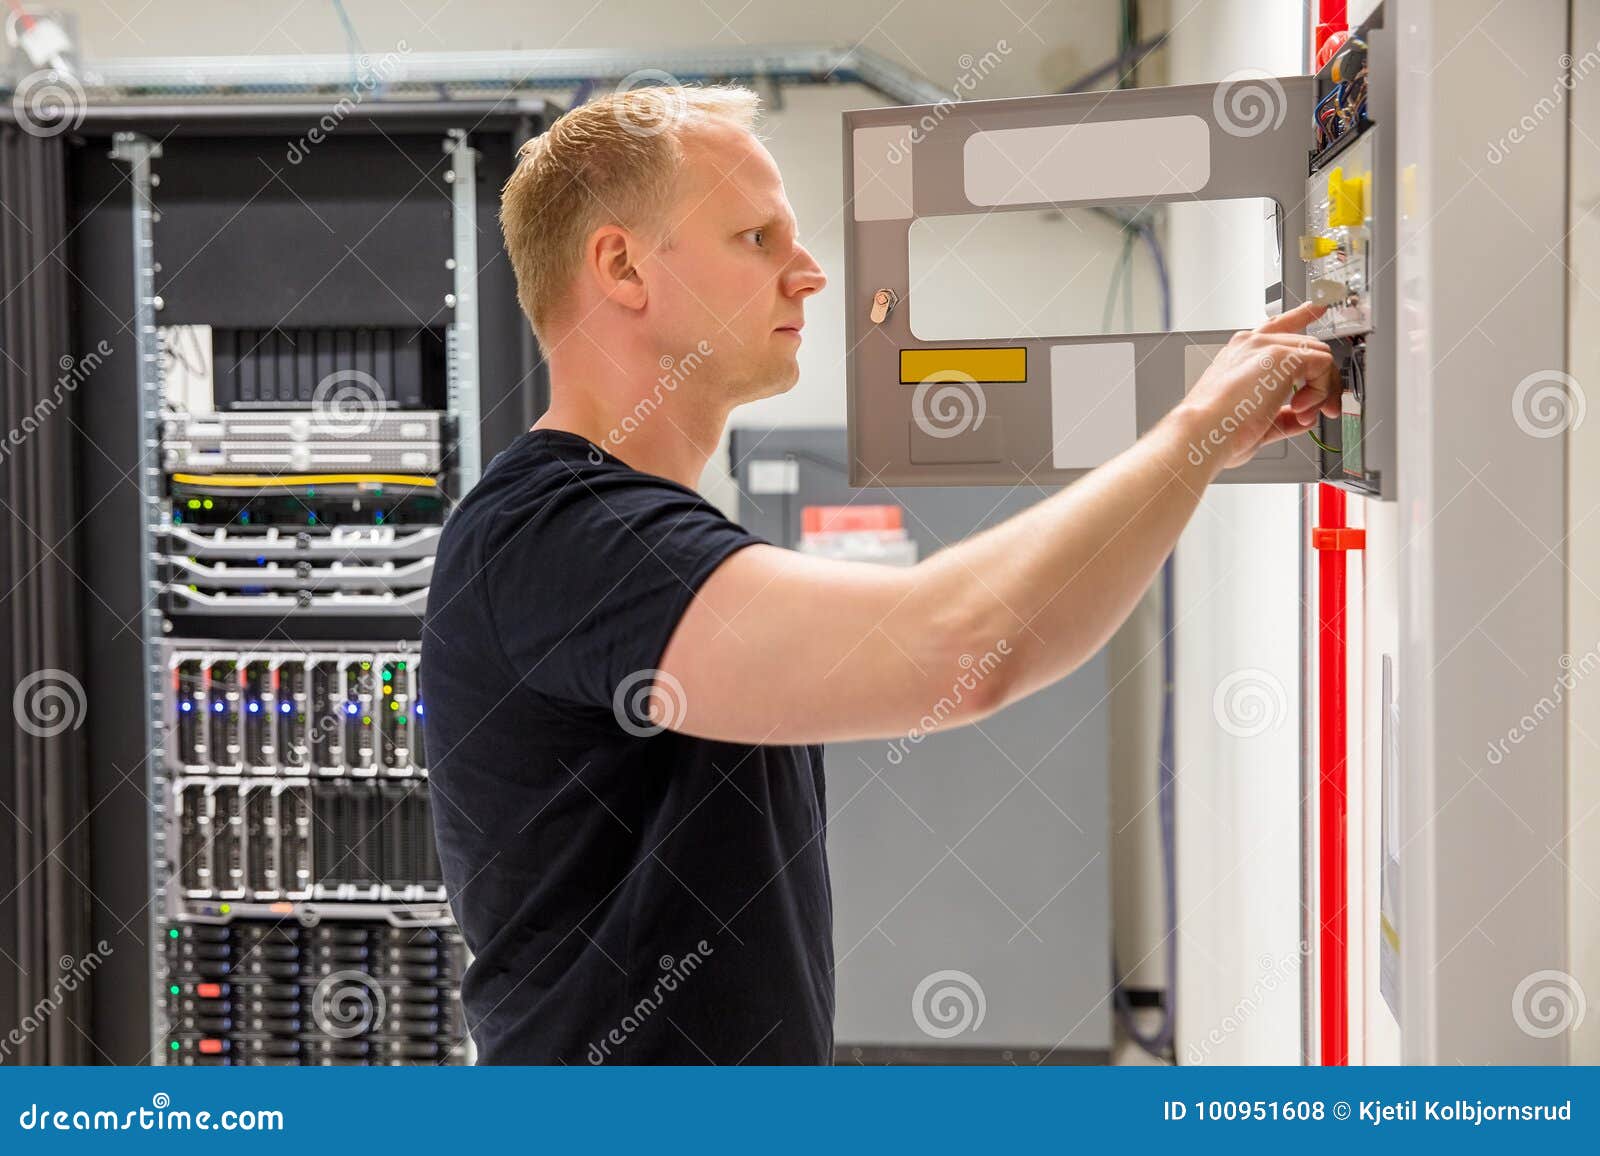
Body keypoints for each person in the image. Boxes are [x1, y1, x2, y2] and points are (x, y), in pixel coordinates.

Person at [420, 84, 1339, 1064]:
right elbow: (960, 647)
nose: (808, 274)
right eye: (757, 239)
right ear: (622, 266)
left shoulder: (614, 526)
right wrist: (1196, 432)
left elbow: (981, 644)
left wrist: (1196, 448)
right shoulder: (560, 535)